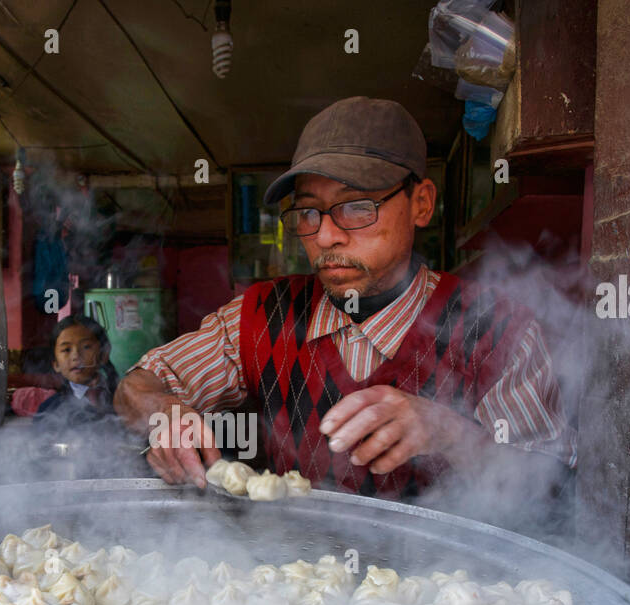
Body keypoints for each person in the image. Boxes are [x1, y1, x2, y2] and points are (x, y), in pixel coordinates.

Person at [114, 96, 576, 498]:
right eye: (309, 211)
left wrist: (455, 435)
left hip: (450, 588)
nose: (327, 235)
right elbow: (138, 385)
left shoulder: (497, 331)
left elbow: (551, 495)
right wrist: (164, 412)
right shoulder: (259, 317)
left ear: (421, 203)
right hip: (296, 582)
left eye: (357, 206)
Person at [33, 315, 119, 428]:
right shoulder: (49, 410)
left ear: (103, 355)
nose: (76, 356)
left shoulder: (123, 399)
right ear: (56, 364)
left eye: (86, 347)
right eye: (66, 350)